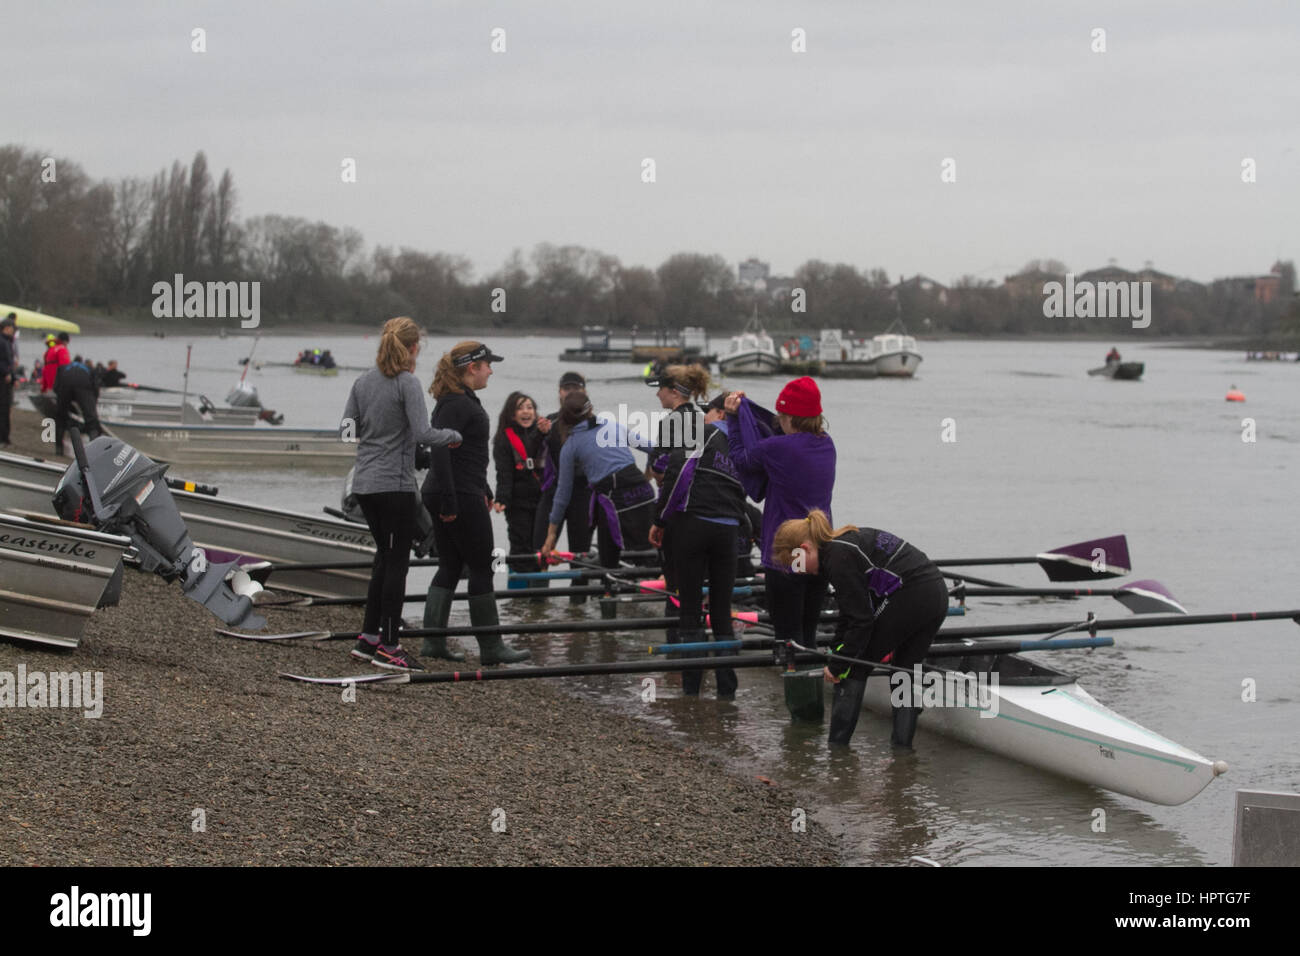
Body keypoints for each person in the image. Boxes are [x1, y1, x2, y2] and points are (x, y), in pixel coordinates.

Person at [341, 317, 463, 670]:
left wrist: (378, 434)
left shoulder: (362, 382)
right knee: (397, 564)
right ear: (413, 348)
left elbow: (347, 432)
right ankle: (390, 646)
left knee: (384, 558)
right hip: (394, 487)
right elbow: (425, 433)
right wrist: (454, 436)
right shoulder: (407, 383)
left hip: (363, 486)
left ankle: (368, 639)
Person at [772, 509, 948, 748]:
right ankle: (902, 751)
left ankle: (837, 748)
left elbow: (861, 621)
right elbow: (851, 612)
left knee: (854, 668)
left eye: (795, 563)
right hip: (936, 593)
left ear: (803, 549)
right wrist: (836, 649)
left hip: (912, 595)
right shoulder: (840, 547)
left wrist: (838, 665)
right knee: (903, 670)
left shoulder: (837, 557)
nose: (798, 571)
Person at [421, 341, 530, 665]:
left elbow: (465, 453)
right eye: (487, 365)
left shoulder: (457, 400)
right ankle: (491, 646)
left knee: (451, 565)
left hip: (459, 489)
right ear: (472, 368)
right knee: (482, 565)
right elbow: (440, 449)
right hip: (455, 494)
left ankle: (433, 643)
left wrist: (484, 486)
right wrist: (451, 502)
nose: (491, 370)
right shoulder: (457, 403)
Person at [723, 377, 836, 666]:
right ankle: (811, 694)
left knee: (786, 635)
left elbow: (740, 458)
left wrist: (736, 419)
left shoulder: (778, 449)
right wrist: (751, 411)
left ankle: (794, 697)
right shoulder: (827, 444)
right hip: (821, 550)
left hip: (790, 553)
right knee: (808, 631)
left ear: (787, 417)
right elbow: (779, 430)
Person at [651, 390, 747, 697]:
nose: (703, 416)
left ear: (721, 413)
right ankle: (727, 691)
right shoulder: (747, 449)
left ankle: (691, 690)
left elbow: (678, 477)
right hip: (728, 532)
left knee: (690, 608)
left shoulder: (701, 434)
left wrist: (660, 520)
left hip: (694, 526)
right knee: (721, 612)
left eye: (708, 411)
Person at [642, 364, 709, 669]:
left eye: (660, 389)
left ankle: (675, 656)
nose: (657, 394)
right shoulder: (705, 418)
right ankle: (699, 651)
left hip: (675, 514)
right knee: (697, 582)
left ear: (673, 392)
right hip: (703, 513)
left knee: (675, 585)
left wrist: (659, 519)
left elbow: (660, 469)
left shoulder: (671, 422)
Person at [541, 390, 655, 568]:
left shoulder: (570, 446)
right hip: (643, 492)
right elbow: (654, 449)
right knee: (649, 549)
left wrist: (551, 534)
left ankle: (609, 589)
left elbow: (562, 494)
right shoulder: (611, 425)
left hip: (613, 497)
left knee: (608, 556)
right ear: (591, 409)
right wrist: (647, 477)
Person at [535, 371, 594, 602]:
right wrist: (540, 435)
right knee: (541, 550)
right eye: (567, 388)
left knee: (580, 554)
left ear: (584, 392)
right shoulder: (549, 422)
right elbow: (532, 455)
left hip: (583, 495)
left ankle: (577, 609)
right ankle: (536, 606)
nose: (571, 392)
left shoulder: (594, 424)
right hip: (553, 493)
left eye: (576, 388)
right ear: (559, 392)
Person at [492, 391, 546, 574]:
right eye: (520, 408)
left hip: (542, 500)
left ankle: (539, 597)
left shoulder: (544, 433)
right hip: (518, 503)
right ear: (512, 414)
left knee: (541, 548)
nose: (526, 412)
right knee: (521, 545)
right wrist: (502, 499)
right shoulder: (503, 439)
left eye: (530, 408)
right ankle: (519, 597)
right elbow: (504, 473)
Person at [53, 354, 104, 452]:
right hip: (83, 386)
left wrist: (66, 403)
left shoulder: (63, 368)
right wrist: (93, 403)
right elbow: (95, 389)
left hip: (65, 386)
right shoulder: (88, 368)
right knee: (91, 420)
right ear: (82, 361)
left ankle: (58, 448)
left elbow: (56, 388)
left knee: (60, 417)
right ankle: (94, 449)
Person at [0, 314, 16, 448]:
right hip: (3, 379)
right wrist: (7, 373)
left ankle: (5, 436)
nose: (13, 330)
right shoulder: (2, 341)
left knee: (6, 407)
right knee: (4, 407)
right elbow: (3, 361)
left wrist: (14, 376)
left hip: (8, 378)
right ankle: (3, 437)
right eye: (12, 327)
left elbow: (10, 362)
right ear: (6, 328)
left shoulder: (8, 341)